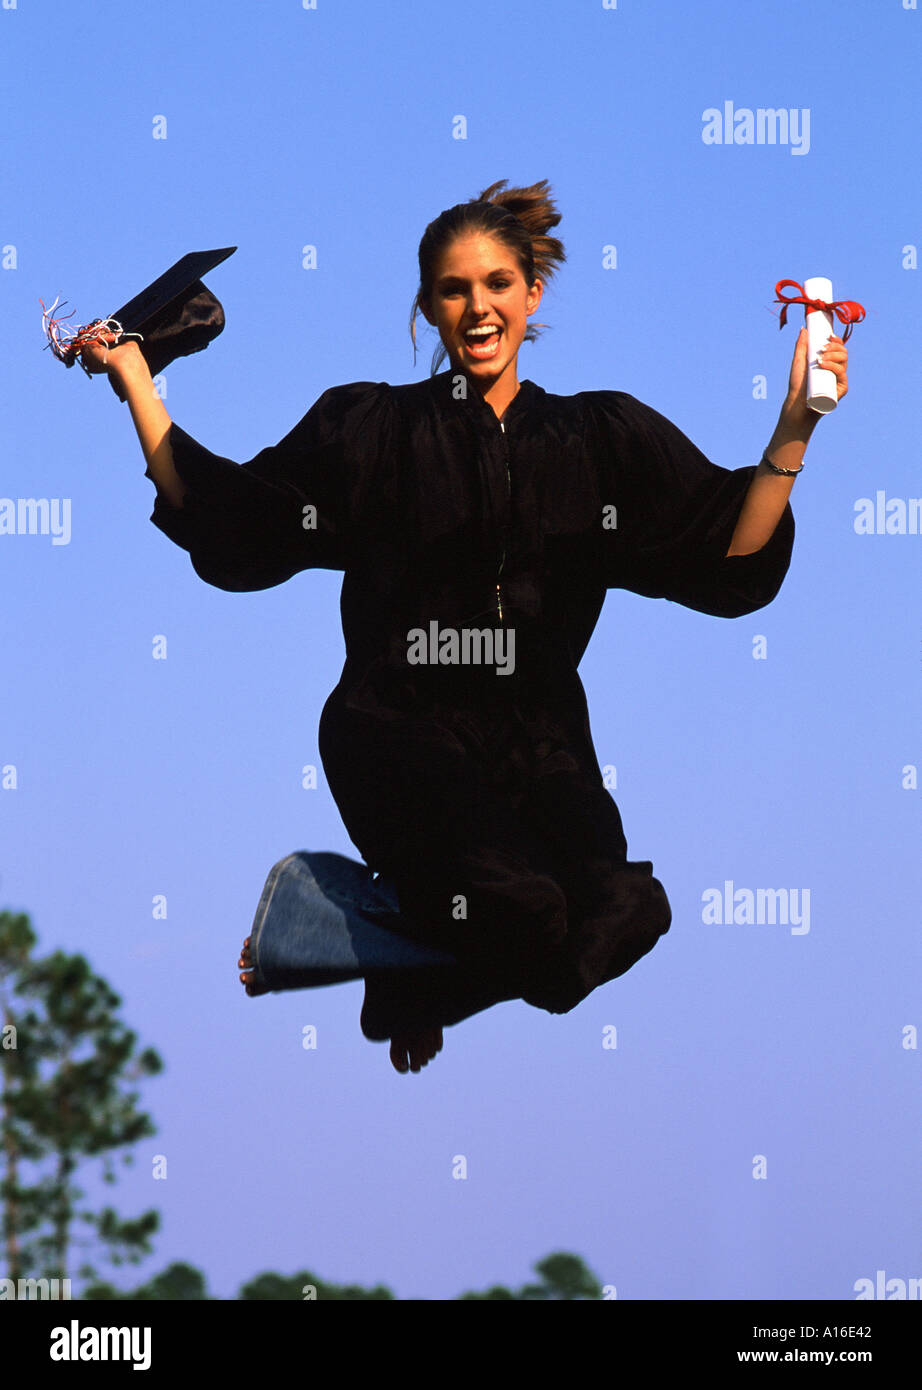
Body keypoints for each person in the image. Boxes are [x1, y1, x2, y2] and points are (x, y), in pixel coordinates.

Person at [79, 179, 849, 1076]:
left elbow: (727, 550)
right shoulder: (372, 430)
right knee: (521, 900)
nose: (478, 307)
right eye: (453, 290)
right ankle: (400, 926)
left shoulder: (596, 437)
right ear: (428, 308)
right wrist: (138, 380)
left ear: (532, 292)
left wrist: (799, 421)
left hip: (543, 748)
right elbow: (234, 517)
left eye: (495, 284)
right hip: (399, 729)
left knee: (621, 917)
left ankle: (404, 967)